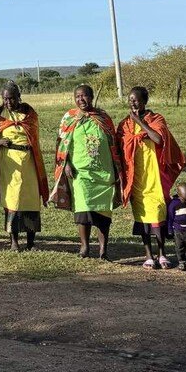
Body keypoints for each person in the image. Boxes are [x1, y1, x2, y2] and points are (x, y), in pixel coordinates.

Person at [118, 86, 185, 270]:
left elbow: (158, 139)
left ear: (145, 101)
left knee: (157, 214)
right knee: (142, 217)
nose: (133, 103)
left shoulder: (156, 119)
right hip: (136, 175)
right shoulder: (124, 124)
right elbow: (119, 147)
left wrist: (140, 122)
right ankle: (148, 254)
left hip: (155, 175)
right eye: (130, 100)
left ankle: (162, 253)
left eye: (136, 99)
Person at [56, 84, 121, 260]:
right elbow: (62, 144)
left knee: (103, 212)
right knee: (83, 209)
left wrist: (116, 170)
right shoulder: (69, 118)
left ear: (91, 97)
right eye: (77, 96)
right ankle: (84, 247)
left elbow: (114, 145)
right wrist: (66, 163)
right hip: (80, 172)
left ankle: (103, 249)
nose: (81, 100)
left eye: (84, 96)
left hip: (103, 172)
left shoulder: (103, 118)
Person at [0, 82, 48, 251]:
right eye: (5, 99)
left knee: (30, 199)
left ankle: (31, 242)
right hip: (9, 162)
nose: (8, 102)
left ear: (19, 97)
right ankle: (14, 241)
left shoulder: (29, 114)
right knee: (12, 199)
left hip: (28, 161)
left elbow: (34, 137)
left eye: (11, 98)